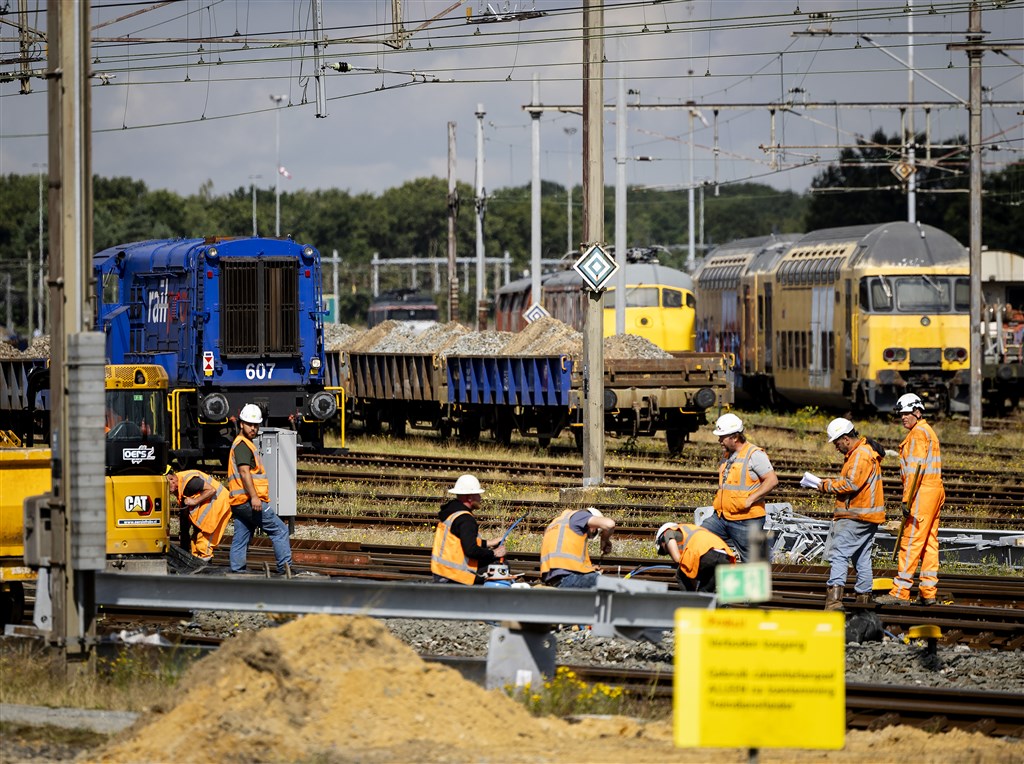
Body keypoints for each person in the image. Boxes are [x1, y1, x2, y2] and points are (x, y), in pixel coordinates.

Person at [877, 393, 945, 606]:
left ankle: (900, 592)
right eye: (901, 414)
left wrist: (906, 501)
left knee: (911, 542)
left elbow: (915, 470)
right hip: (934, 490)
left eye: (906, 413)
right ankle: (927, 592)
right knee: (929, 544)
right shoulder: (928, 431)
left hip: (922, 492)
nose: (903, 417)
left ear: (917, 411)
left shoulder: (917, 434)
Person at [816, 418, 885, 611]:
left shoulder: (860, 455)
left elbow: (851, 484)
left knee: (838, 554)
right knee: (861, 557)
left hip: (856, 515)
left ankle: (834, 600)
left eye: (837, 443)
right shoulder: (862, 453)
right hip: (866, 516)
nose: (836, 448)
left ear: (846, 439)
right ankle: (864, 598)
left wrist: (825, 485)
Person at [702, 413, 779, 563]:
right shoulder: (727, 455)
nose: (719, 441)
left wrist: (750, 500)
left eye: (722, 437)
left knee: (753, 564)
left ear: (735, 437)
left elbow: (772, 480)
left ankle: (754, 586)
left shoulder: (754, 454)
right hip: (721, 518)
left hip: (747, 520)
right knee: (698, 538)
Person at [226, 403, 293, 574]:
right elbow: (244, 472)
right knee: (280, 530)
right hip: (249, 500)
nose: (253, 428)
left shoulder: (244, 444)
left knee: (242, 536)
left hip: (239, 502)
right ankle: (285, 569)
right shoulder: (242, 445)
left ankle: (237, 571)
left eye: (256, 425)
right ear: (241, 424)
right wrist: (254, 497)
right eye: (250, 424)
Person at [430, 474, 506, 585]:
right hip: (454, 576)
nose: (480, 498)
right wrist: (494, 553)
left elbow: (463, 542)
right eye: (478, 495)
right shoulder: (465, 519)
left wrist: (489, 543)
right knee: (501, 566)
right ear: (470, 498)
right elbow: (471, 550)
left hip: (442, 572)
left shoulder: (453, 513)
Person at [539, 507, 615, 588]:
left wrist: (589, 569)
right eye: (595, 531)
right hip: (567, 578)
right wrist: (604, 539)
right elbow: (610, 524)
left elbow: (564, 561)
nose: (591, 533)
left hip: (553, 579)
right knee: (612, 586)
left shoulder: (556, 523)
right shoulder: (580, 516)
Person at [167, 468, 233, 561]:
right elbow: (184, 512)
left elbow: (211, 490)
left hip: (218, 505)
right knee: (196, 540)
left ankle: (204, 565)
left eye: (167, 486)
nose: (169, 491)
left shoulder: (190, 482)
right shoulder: (179, 485)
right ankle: (197, 562)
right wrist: (184, 534)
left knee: (204, 541)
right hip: (209, 508)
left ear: (171, 479)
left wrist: (194, 501)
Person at [655, 522, 736, 592]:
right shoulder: (691, 529)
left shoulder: (668, 532)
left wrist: (680, 562)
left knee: (681, 574)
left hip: (705, 554)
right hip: (725, 556)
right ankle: (708, 605)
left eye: (664, 550)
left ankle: (690, 603)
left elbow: (677, 558)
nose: (668, 553)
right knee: (705, 591)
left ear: (661, 539)